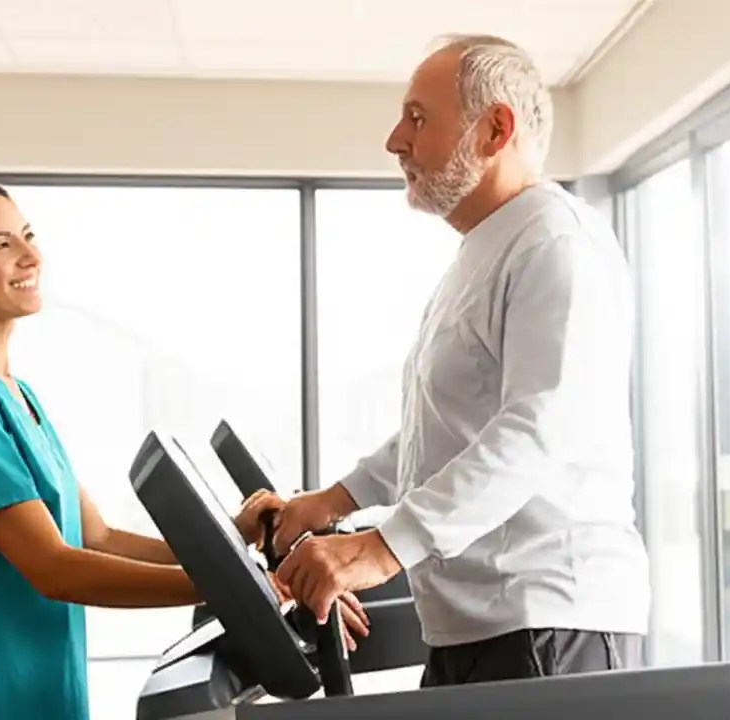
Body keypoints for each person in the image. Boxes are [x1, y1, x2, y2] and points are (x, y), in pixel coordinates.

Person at [0, 179, 366, 720]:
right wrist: (240, 593)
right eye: (1, 245)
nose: (30, 255)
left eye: (27, 236)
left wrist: (235, 534)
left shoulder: (15, 393)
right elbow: (53, 567)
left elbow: (96, 537)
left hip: (40, 691)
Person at [272, 34, 650, 687]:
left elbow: (536, 432)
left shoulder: (556, 243)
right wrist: (337, 499)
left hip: (546, 620)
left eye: (418, 117)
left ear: (495, 128)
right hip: (476, 622)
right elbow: (446, 425)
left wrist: (379, 547)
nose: (396, 140)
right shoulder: (485, 250)